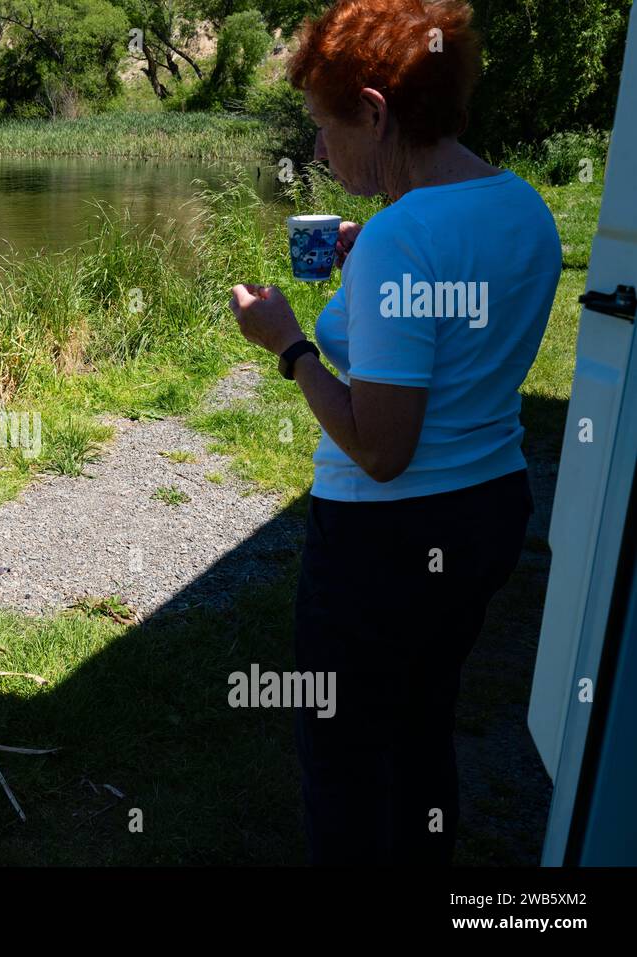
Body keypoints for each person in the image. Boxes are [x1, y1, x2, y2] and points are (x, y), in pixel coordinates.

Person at [227, 0, 562, 865]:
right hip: (489, 510)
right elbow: (461, 338)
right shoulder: (521, 207)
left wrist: (290, 344)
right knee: (421, 727)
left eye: (322, 126)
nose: (316, 151)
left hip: (387, 542)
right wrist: (370, 262)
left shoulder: (400, 242)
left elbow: (381, 450)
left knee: (342, 764)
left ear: (375, 112)